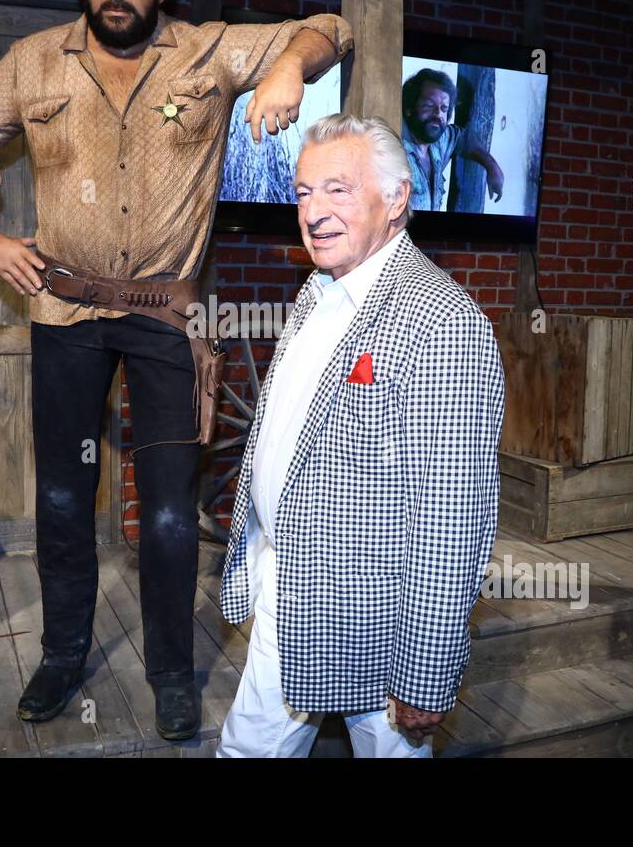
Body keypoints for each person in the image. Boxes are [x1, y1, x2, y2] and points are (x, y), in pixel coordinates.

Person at [0, 0, 353, 741]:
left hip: (165, 320)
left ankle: (169, 672)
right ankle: (62, 654)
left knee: (164, 509)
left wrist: (287, 70)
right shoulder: (34, 61)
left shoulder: (207, 48)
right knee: (60, 494)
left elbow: (328, 27)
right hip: (64, 309)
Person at [215, 114, 505, 757]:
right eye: (303, 193)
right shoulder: (318, 292)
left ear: (396, 199)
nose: (314, 211)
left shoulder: (441, 323)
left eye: (338, 190)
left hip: (373, 624)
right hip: (288, 589)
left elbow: (452, 518)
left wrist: (425, 674)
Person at [401, 68, 504, 213]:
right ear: (409, 109)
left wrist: (492, 166)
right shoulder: (394, 149)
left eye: (444, 108)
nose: (438, 114)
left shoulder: (440, 141)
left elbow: (462, 139)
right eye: (429, 106)